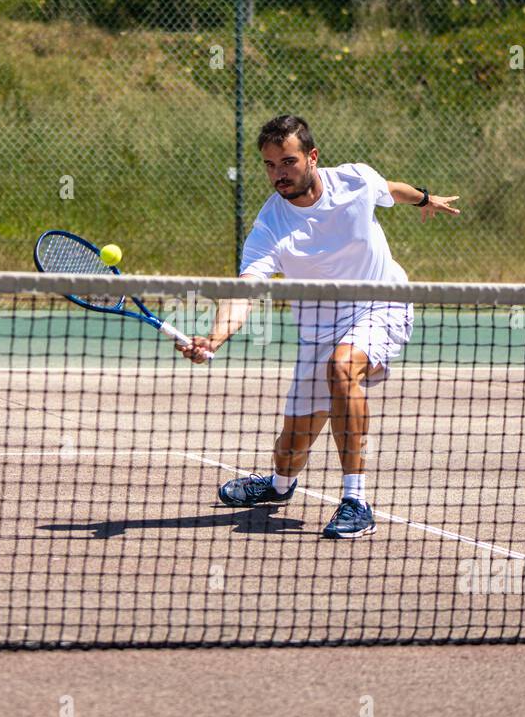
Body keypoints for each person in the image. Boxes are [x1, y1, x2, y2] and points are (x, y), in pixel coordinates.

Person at [178, 115, 461, 537]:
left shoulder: (354, 181)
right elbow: (245, 291)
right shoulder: (270, 225)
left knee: (342, 368)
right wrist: (216, 337)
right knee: (291, 446)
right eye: (270, 165)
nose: (279, 174)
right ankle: (278, 486)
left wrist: (424, 199)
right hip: (317, 329)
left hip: (380, 304)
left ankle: (356, 500)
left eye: (287, 162)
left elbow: (390, 190)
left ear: (312, 157)